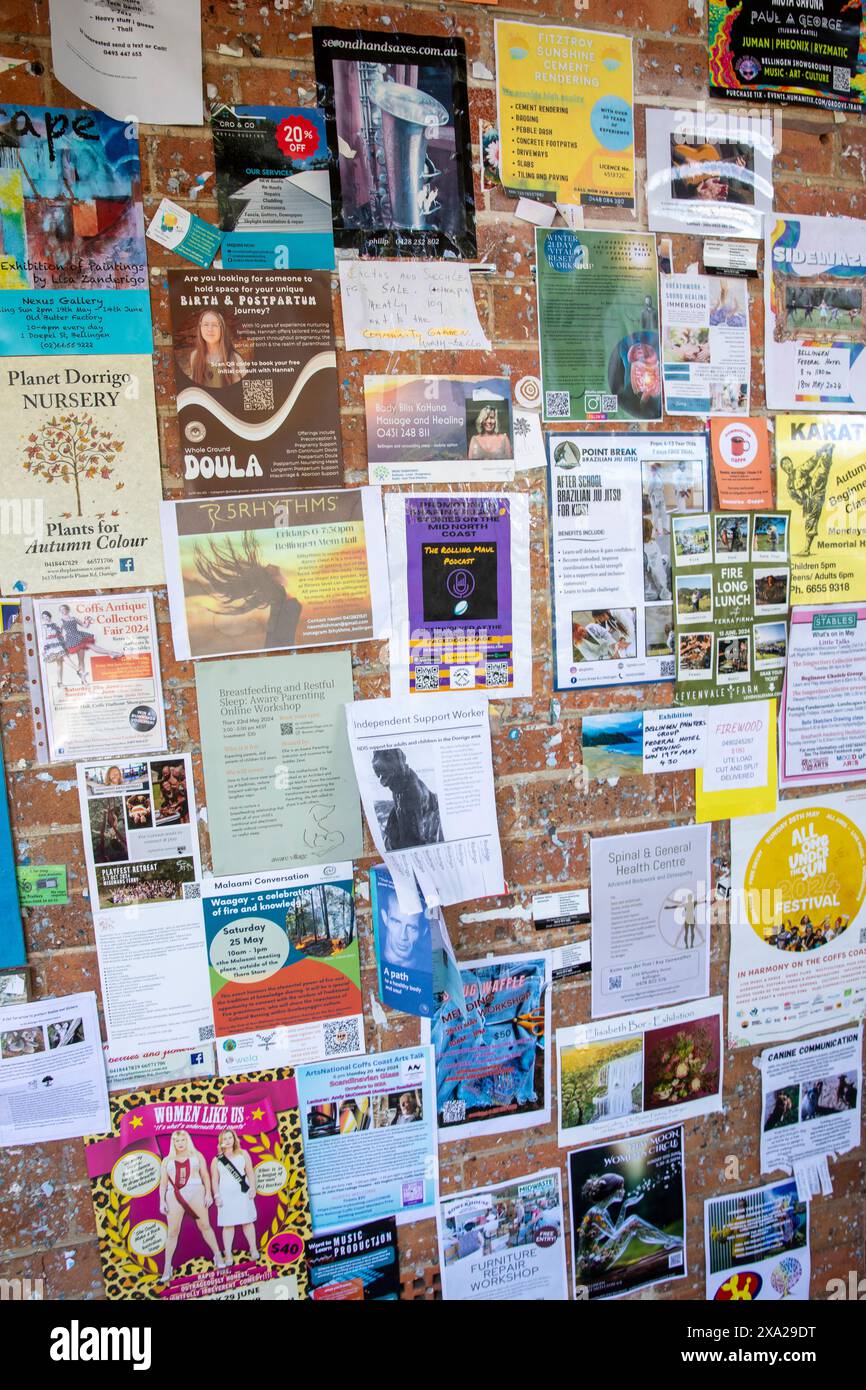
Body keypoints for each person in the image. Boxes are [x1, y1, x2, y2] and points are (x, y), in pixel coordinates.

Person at [194, 531, 301, 650]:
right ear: (274, 579)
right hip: (278, 647)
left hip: (276, 645)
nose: (280, 572)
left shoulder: (281, 598)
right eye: (277, 572)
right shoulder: (284, 600)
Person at [159, 1130, 224, 1282]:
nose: (180, 1143)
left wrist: (208, 1193)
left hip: (196, 1191)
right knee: (172, 1232)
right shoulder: (167, 1160)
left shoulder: (197, 1155)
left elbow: (205, 1176)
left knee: (205, 1226)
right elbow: (163, 1184)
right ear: (173, 1142)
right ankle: (167, 1266)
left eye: (182, 1140)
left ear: (187, 1140)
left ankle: (218, 1255)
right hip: (174, 1195)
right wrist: (161, 1201)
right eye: (177, 1141)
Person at [371, 748, 443, 850]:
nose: (376, 762)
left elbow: (415, 839)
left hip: (429, 806)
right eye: (375, 757)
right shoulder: (398, 786)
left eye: (387, 757)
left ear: (401, 762)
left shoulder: (412, 791)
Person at [211, 1129, 259, 1266]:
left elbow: (250, 1172)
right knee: (228, 1225)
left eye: (230, 1138)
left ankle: (253, 1249)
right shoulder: (217, 1160)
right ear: (221, 1141)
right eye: (224, 1138)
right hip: (225, 1196)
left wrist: (253, 1188)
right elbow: (214, 1180)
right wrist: (216, 1196)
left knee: (247, 1222)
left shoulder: (243, 1154)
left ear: (234, 1139)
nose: (227, 1140)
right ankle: (228, 1254)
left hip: (243, 1193)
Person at [183, 308, 247, 388]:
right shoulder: (194, 356)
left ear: (222, 329)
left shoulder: (234, 359)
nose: (210, 329)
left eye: (214, 325)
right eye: (206, 324)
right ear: (200, 328)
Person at [57, 604, 120, 682]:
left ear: (67, 610)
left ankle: (83, 679)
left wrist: (87, 620)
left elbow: (85, 625)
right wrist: (61, 640)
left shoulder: (74, 618)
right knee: (89, 646)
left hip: (78, 635)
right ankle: (111, 652)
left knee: (81, 659)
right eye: (61, 610)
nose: (63, 611)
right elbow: (58, 632)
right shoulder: (61, 620)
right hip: (71, 639)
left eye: (64, 609)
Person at [379, 897, 428, 969]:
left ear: (424, 931)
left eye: (412, 928)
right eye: (396, 922)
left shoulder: (428, 966)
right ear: (385, 918)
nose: (403, 936)